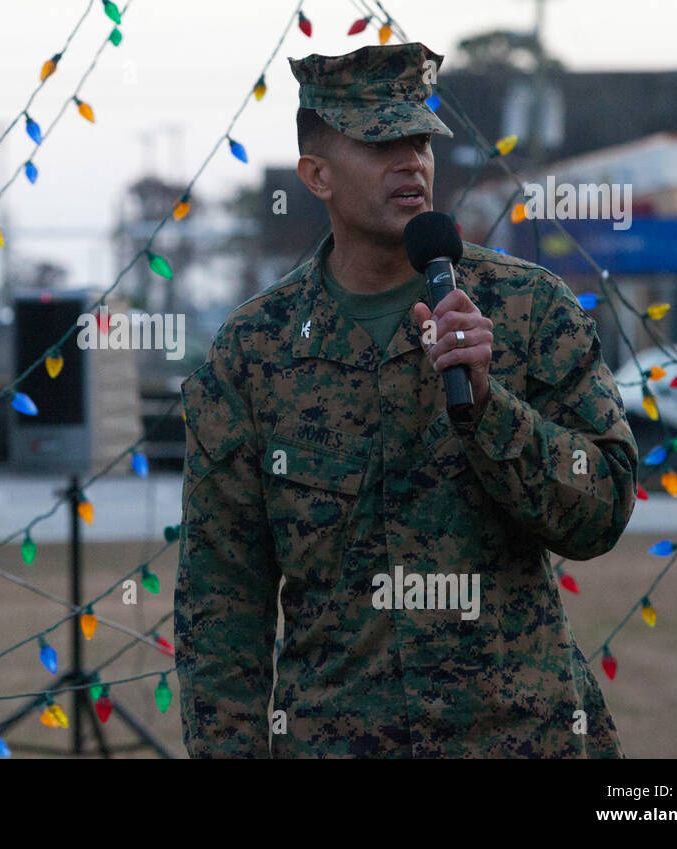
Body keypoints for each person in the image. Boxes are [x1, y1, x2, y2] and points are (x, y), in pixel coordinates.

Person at [173, 41, 639, 758]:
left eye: (419, 138)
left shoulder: (525, 309)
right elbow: (220, 607)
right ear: (316, 174)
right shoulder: (253, 354)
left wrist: (489, 408)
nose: (410, 161)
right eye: (380, 141)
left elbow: (602, 509)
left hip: (518, 738)